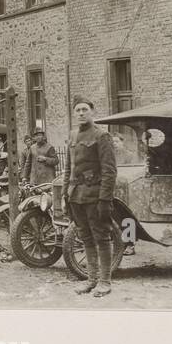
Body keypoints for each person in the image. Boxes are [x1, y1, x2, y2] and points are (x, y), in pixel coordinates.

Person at [63, 96, 117, 296]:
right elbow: (69, 167)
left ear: (92, 111)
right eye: (77, 110)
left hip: (95, 196)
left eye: (84, 109)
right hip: (76, 195)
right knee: (85, 237)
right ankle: (91, 279)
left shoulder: (102, 136)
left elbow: (109, 171)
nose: (81, 113)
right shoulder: (73, 135)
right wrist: (65, 193)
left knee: (101, 237)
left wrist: (105, 199)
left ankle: (105, 281)